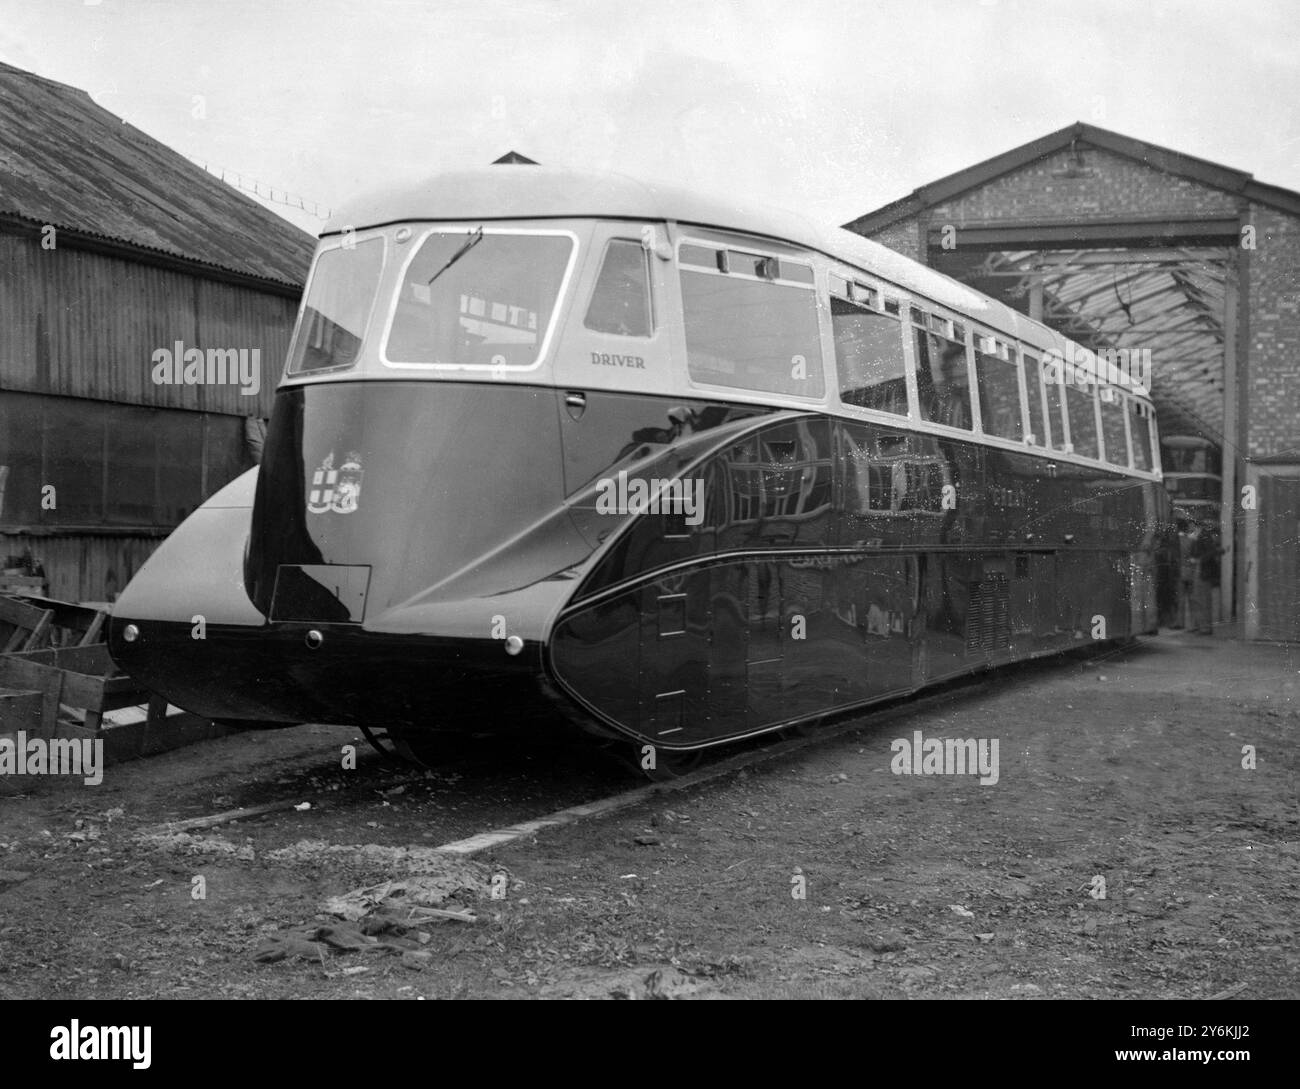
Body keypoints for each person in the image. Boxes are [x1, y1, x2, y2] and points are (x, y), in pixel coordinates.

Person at [1189, 524, 1224, 634]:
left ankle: (1205, 627)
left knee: (1202, 601)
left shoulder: (1204, 537)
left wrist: (1199, 560)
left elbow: (1212, 552)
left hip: (1203, 573)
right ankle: (1201, 626)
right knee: (1200, 600)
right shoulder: (1203, 537)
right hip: (1203, 572)